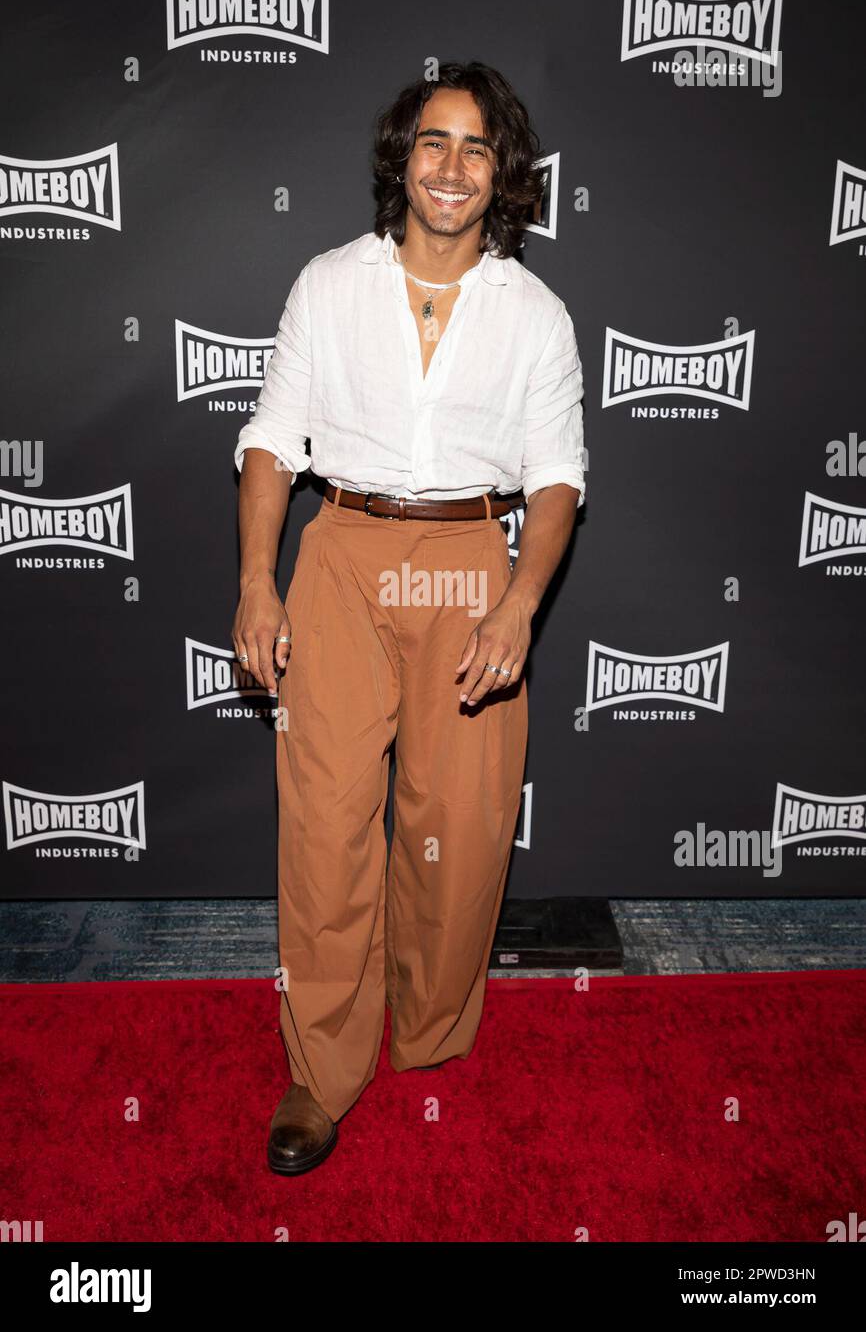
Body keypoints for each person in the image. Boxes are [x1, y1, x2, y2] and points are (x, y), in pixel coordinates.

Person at [232, 60, 585, 1175]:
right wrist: (255, 580)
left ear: (502, 176)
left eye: (477, 148)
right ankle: (322, 1072)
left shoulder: (534, 313)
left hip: (472, 562)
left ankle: (429, 1030)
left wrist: (520, 603)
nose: (452, 166)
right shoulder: (328, 283)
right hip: (340, 552)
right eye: (434, 141)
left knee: (460, 824)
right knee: (328, 824)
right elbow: (268, 440)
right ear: (402, 156)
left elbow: (558, 478)